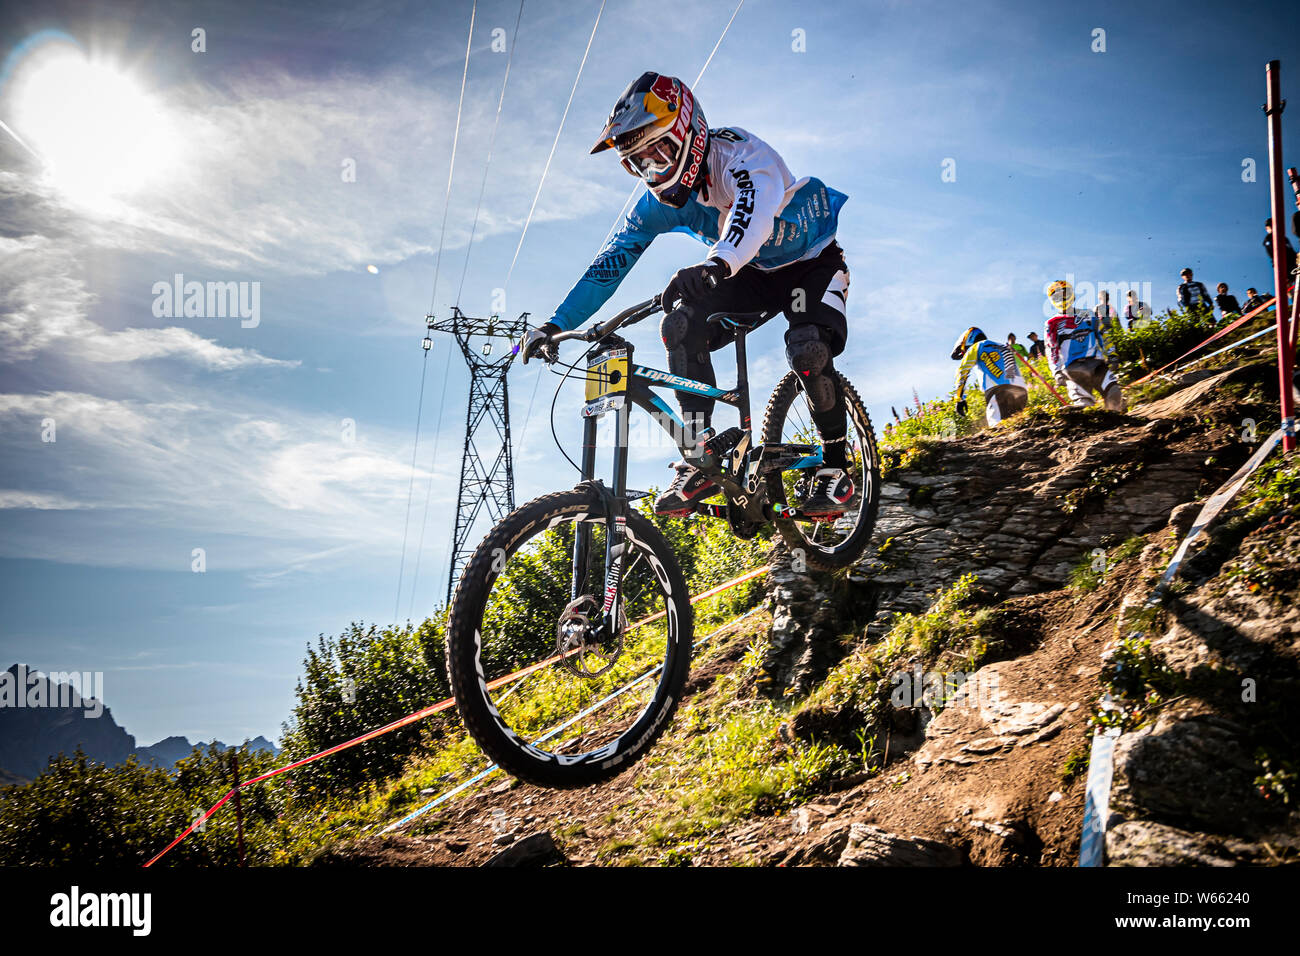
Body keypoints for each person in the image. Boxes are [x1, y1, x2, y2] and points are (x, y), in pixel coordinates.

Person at [521, 72, 853, 516]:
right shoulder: (656, 206)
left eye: (659, 153)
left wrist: (714, 266)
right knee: (679, 321)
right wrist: (556, 324)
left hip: (810, 263)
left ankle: (837, 466)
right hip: (749, 272)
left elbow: (752, 216)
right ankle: (703, 451)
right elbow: (609, 264)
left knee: (807, 349)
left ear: (690, 133)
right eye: (641, 164)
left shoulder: (742, 156)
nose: (654, 172)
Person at [1045, 280, 1124, 411]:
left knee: (1114, 394)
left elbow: (1104, 335)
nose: (1062, 298)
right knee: (1084, 407)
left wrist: (1112, 354)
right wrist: (1056, 372)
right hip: (1073, 370)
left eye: (1064, 294)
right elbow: (1051, 349)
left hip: (1097, 364)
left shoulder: (1089, 314)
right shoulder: (1052, 323)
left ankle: (1114, 421)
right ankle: (1095, 429)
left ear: (1072, 294)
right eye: (1057, 296)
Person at [951, 327, 1027, 426]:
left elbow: (962, 372)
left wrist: (959, 398)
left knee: (998, 429)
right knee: (1016, 425)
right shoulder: (1003, 346)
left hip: (998, 391)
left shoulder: (976, 347)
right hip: (1021, 391)